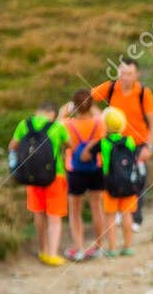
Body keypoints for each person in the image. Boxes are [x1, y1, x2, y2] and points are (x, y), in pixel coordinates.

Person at [91, 58, 153, 230]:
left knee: (138, 179)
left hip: (137, 144)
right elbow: (88, 98)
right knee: (115, 176)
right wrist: (100, 115)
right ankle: (120, 213)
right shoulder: (111, 87)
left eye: (129, 73)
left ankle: (136, 218)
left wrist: (148, 147)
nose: (125, 77)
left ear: (137, 75)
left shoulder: (144, 93)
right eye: (122, 72)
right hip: (115, 143)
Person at [8, 100, 69, 266]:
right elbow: (71, 145)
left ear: (38, 111)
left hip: (31, 176)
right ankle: (52, 254)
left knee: (39, 213)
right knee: (54, 217)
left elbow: (12, 146)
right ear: (53, 114)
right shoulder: (57, 127)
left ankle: (42, 251)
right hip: (55, 176)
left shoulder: (24, 124)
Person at [85, 106, 145, 256]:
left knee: (110, 216)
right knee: (127, 215)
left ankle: (111, 249)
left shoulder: (103, 143)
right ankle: (128, 246)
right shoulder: (130, 141)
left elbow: (85, 156)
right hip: (128, 183)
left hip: (109, 184)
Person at [61, 89, 107, 261]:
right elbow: (101, 117)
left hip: (75, 170)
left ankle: (79, 248)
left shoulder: (67, 124)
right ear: (91, 105)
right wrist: (93, 107)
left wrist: (65, 110)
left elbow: (58, 122)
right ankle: (99, 247)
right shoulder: (99, 122)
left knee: (75, 211)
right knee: (97, 208)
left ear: (74, 105)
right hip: (96, 167)